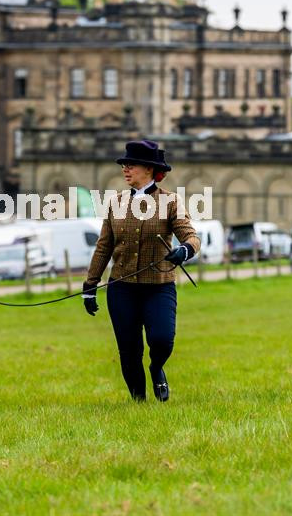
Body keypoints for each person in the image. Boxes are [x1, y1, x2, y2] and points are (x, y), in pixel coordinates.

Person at [82, 139, 201, 402]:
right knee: (129, 348)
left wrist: (185, 250)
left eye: (131, 165)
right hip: (121, 288)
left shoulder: (170, 202)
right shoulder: (115, 203)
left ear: (149, 169)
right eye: (124, 164)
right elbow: (104, 247)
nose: (125, 169)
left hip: (158, 287)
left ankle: (157, 368)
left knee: (161, 339)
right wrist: (90, 286)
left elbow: (191, 236)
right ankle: (139, 400)